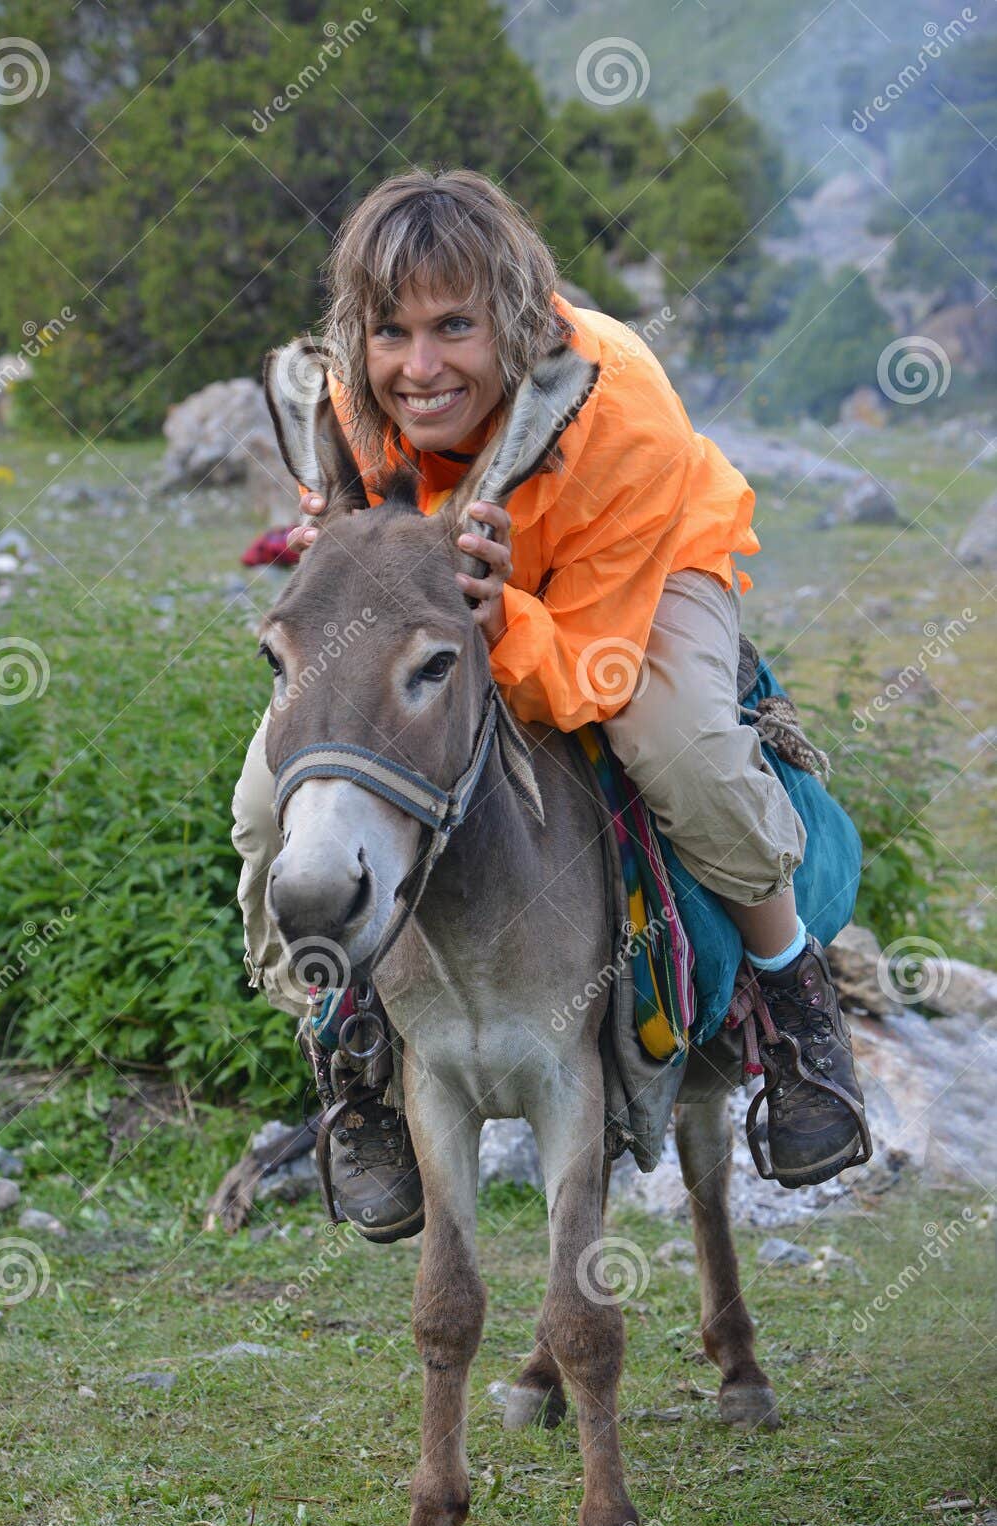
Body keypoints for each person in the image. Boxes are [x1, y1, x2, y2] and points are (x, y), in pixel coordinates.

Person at [231, 168, 868, 1241]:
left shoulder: (620, 408)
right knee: (267, 800)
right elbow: (359, 527)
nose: (419, 369)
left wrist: (500, 618)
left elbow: (593, 672)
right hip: (444, 597)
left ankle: (794, 1000)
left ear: (515, 321)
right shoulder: (354, 396)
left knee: (679, 744)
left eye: (454, 327)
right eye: (390, 331)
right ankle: (350, 1040)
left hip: (632, 578)